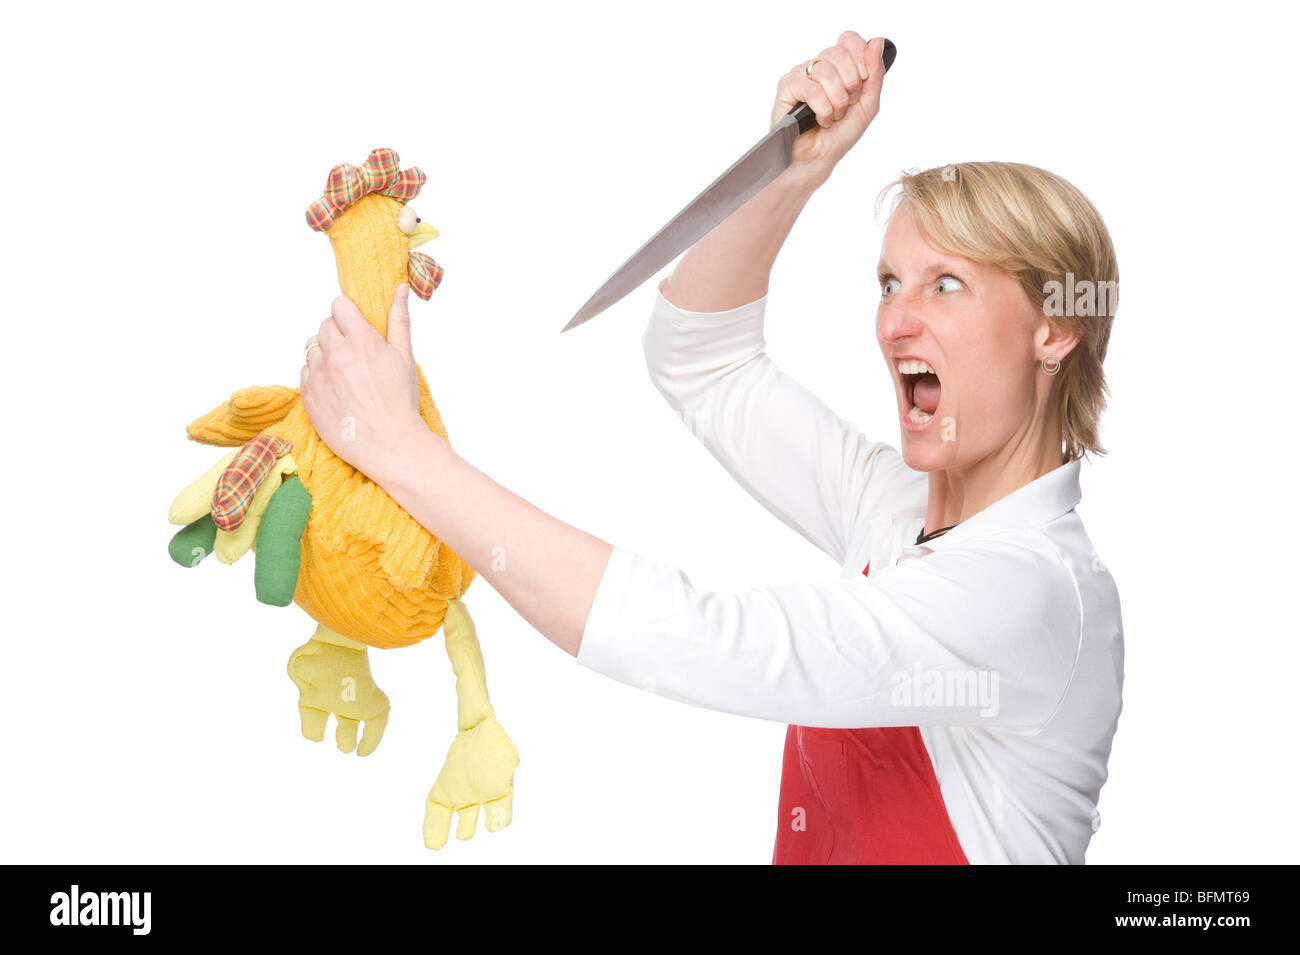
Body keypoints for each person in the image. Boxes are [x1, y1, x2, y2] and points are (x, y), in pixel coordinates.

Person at [298, 31, 1123, 864]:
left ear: (1056, 328)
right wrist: (791, 173)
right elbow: (700, 357)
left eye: (946, 285)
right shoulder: (898, 507)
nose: (894, 320)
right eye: (888, 282)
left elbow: (708, 640)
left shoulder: (1031, 593)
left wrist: (401, 450)